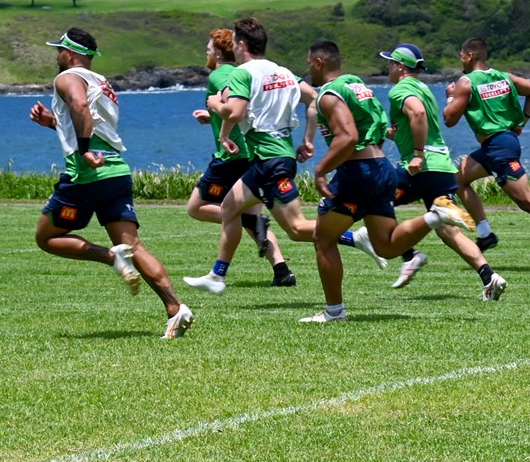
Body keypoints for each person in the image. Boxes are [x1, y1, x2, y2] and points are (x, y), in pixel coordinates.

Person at [182, 18, 384, 297]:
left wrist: (215, 104)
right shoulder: (284, 72)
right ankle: (217, 275)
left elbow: (236, 111)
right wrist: (307, 140)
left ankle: (356, 237)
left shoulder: (243, 72)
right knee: (230, 208)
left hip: (270, 161)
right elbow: (314, 98)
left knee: (298, 229)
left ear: (241, 44)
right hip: (272, 157)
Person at [29, 28, 193, 339]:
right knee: (134, 246)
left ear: (73, 54)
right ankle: (175, 307)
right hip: (117, 171)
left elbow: (79, 107)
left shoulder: (67, 77)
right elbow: (86, 118)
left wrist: (84, 149)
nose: (56, 56)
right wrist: (53, 122)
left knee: (46, 237)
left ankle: (109, 256)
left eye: (60, 50)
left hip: (87, 174)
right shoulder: (101, 82)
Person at [305, 39, 474, 323]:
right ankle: (436, 216)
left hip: (357, 172)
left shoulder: (329, 94)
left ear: (319, 62)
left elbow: (348, 137)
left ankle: (334, 312)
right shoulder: (358, 86)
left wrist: (322, 170)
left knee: (323, 239)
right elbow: (380, 126)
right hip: (381, 167)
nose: (308, 67)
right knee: (386, 245)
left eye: (310, 62)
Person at [442, 37, 530, 273]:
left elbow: (449, 119)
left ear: (469, 56)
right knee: (458, 179)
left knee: (527, 200)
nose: (460, 59)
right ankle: (485, 233)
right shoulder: (503, 77)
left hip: (498, 148)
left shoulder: (465, 83)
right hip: (498, 144)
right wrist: (522, 123)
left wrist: (450, 95)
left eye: (461, 55)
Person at [381, 42, 507, 301]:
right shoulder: (423, 88)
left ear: (400, 66)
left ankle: (410, 255)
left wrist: (416, 154)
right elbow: (413, 124)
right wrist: (381, 131)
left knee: (374, 202)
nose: (388, 68)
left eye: (390, 63)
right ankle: (489, 276)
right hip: (441, 167)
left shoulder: (400, 90)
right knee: (448, 230)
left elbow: (417, 114)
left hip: (421, 167)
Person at [185, 29, 295, 288]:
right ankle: (282, 271)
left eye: (209, 47)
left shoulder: (220, 73)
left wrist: (217, 106)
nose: (207, 52)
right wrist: (210, 116)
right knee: (250, 217)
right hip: (251, 154)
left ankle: (248, 229)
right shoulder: (241, 72)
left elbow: (228, 100)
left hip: (231, 156)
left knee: (197, 207)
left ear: (219, 53)